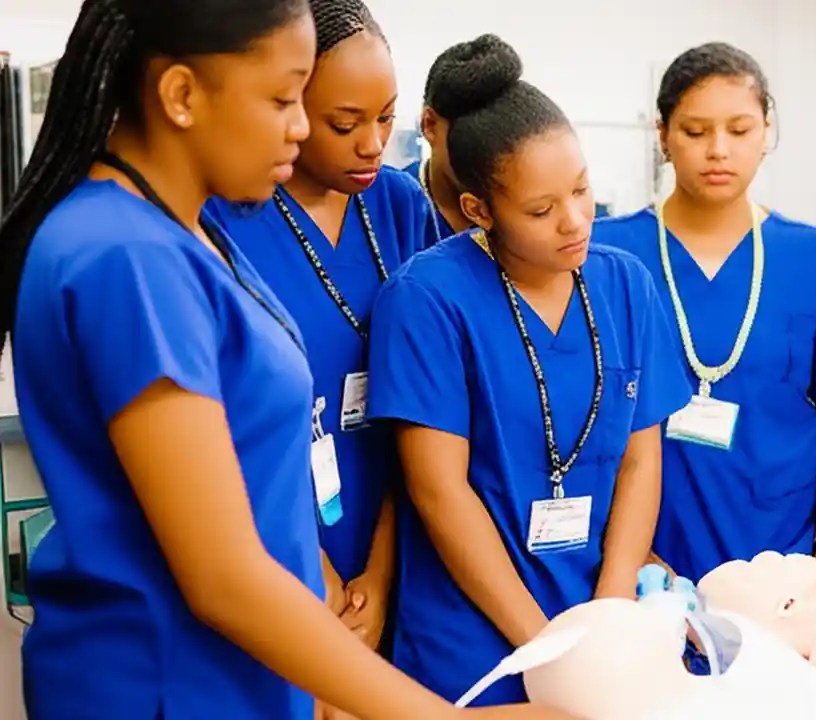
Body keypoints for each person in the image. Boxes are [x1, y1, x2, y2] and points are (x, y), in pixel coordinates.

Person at [0, 2, 571, 718]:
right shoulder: (125, 255)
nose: (299, 128)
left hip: (251, 670)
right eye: (282, 99)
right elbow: (225, 577)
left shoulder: (185, 235)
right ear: (181, 95)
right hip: (171, 682)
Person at [366, 34, 691, 705]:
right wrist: (546, 647)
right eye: (541, 211)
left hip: (596, 613)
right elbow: (439, 492)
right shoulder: (427, 299)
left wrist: (605, 617)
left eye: (581, 190)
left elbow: (639, 460)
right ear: (479, 211)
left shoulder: (624, 284)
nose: (575, 222)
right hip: (473, 636)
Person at [592, 42, 816, 595]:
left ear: (766, 132)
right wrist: (629, 556)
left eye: (740, 129)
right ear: (663, 136)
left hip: (787, 561)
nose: (718, 151)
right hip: (641, 562)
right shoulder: (607, 257)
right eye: (696, 131)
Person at [205, 0, 424, 660]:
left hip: (392, 527)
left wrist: (379, 579)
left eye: (387, 117)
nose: (373, 144)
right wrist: (317, 580)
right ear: (289, 105)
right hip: (267, 536)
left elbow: (430, 411)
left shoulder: (399, 204)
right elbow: (219, 430)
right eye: (345, 123)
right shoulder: (224, 215)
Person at [403, 37, 485, 246]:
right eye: (473, 136)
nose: (490, 152)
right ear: (429, 125)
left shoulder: (517, 212)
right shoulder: (392, 207)